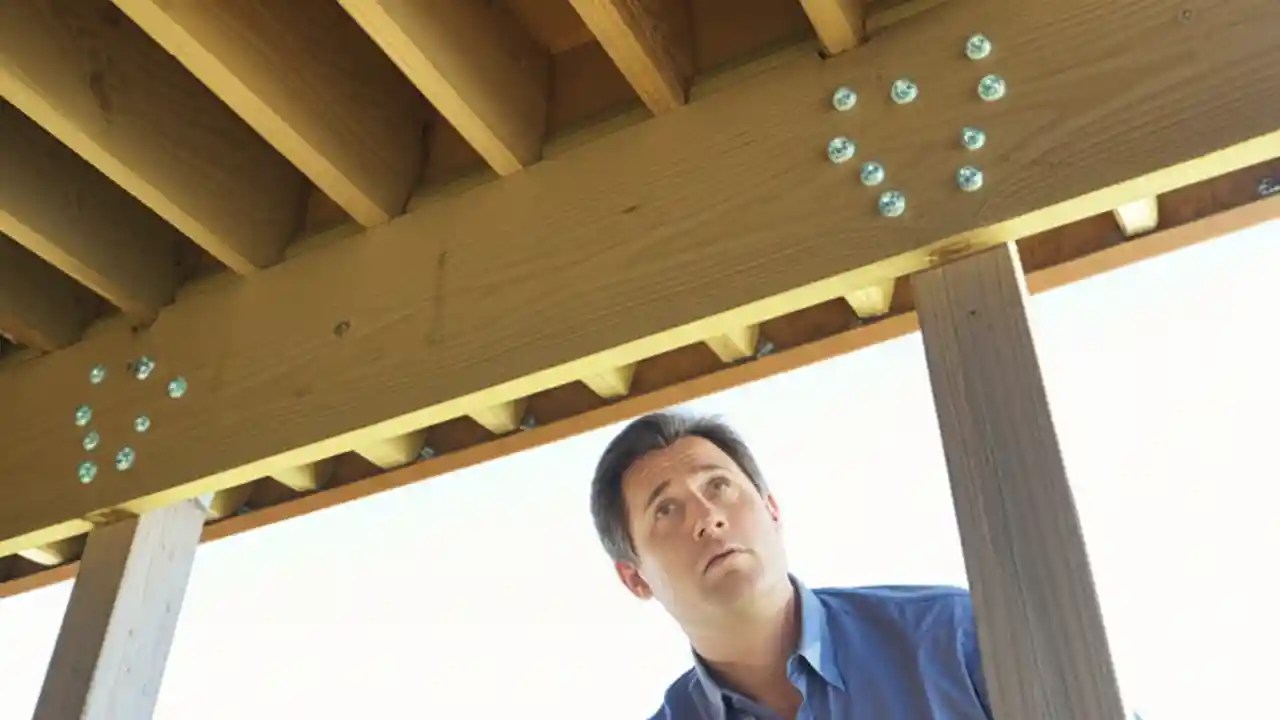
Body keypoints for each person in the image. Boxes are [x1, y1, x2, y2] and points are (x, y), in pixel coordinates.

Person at [590, 411, 993, 720]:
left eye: (718, 485)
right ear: (635, 579)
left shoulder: (952, 637)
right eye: (666, 510)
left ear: (771, 508)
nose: (708, 517)